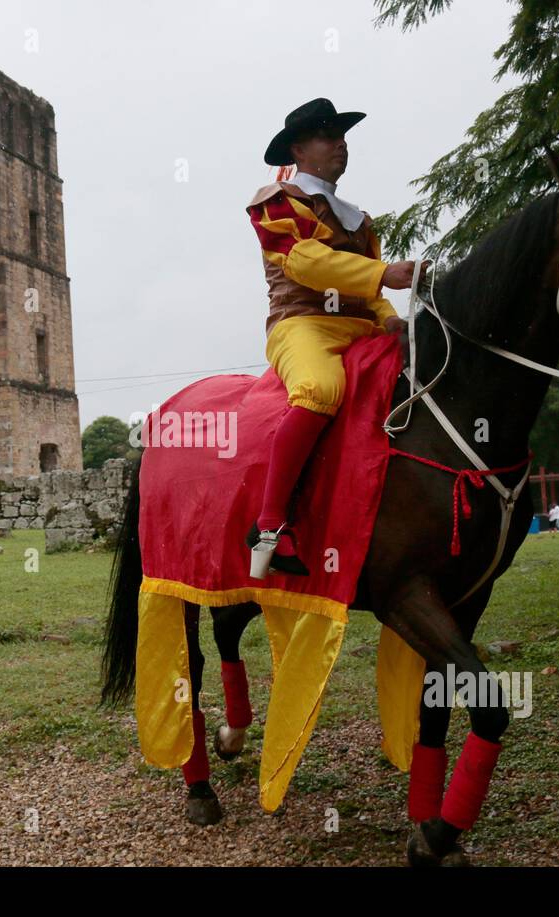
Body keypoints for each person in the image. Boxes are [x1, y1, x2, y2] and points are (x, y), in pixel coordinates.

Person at [245, 98, 424, 578]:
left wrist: (389, 318)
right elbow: (305, 262)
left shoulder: (358, 218)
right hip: (301, 323)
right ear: (299, 150)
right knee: (321, 390)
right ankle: (270, 527)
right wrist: (384, 273)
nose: (340, 143)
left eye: (342, 135)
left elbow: (367, 291)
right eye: (328, 135)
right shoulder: (276, 201)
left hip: (361, 325)